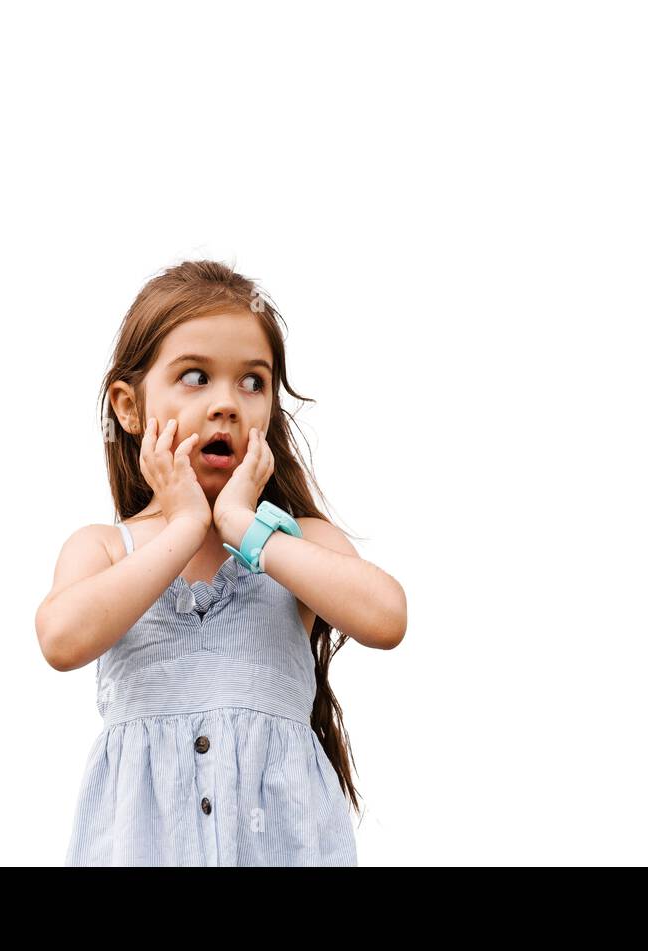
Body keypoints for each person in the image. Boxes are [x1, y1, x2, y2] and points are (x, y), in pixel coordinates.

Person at [37, 259, 408, 865]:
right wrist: (185, 526)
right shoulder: (105, 549)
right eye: (194, 377)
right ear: (129, 408)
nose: (227, 404)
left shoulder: (296, 542)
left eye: (252, 382)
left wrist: (245, 528)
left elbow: (386, 617)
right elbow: (60, 638)